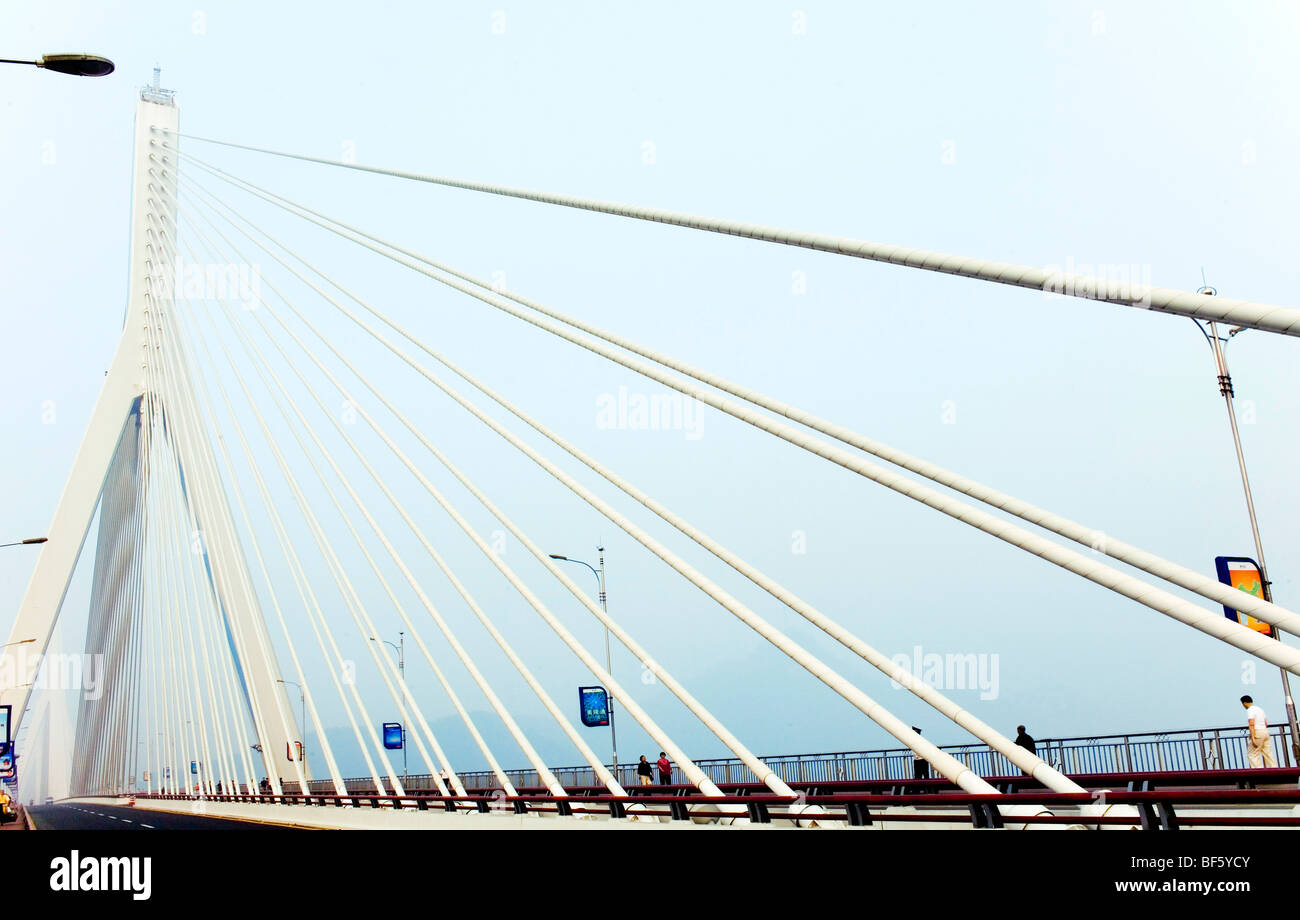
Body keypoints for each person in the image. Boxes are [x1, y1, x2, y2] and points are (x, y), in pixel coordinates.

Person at [1242, 695, 1277, 768]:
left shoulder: (1250, 710)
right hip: (1265, 731)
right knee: (1268, 753)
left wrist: (1253, 738)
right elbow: (1265, 723)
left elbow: (1251, 724)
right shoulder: (1260, 709)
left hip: (1257, 732)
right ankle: (1274, 769)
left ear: (1244, 703)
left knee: (1253, 754)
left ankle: (1257, 772)